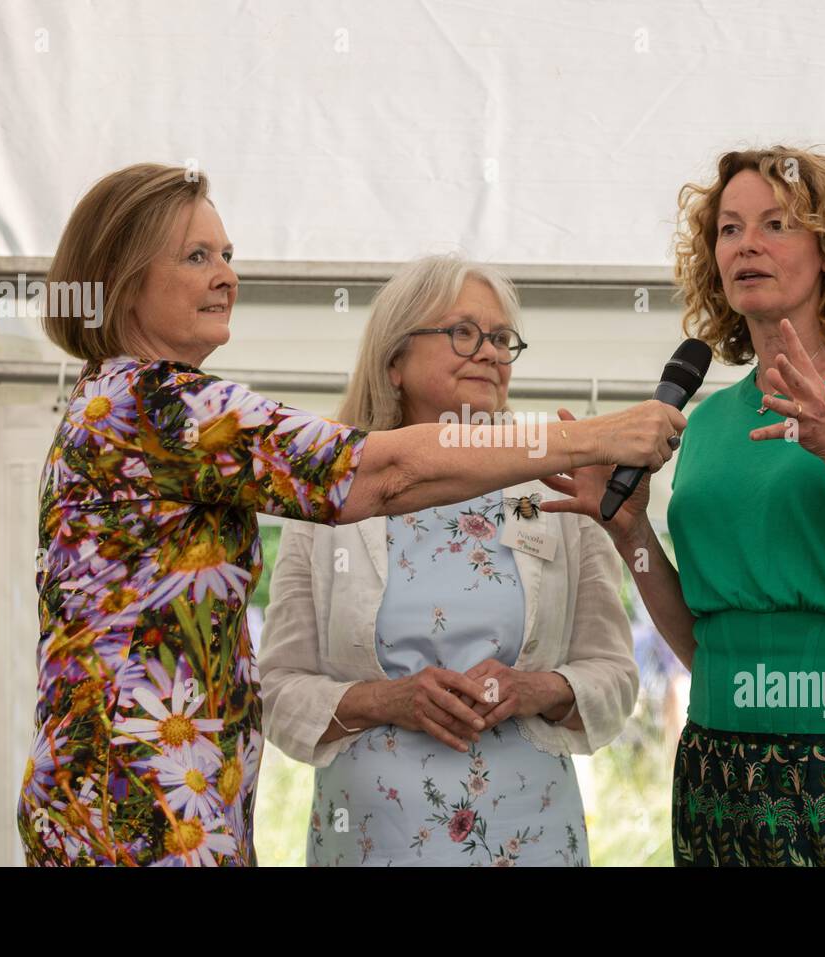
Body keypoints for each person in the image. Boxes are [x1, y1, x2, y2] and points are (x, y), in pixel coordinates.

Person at [15, 164, 685, 866]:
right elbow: (386, 473)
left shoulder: (129, 404)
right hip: (137, 803)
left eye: (228, 255)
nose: (226, 276)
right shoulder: (158, 407)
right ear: (122, 279)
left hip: (153, 797)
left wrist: (538, 686)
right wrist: (592, 435)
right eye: (196, 256)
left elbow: (609, 670)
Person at [543, 146, 825, 866]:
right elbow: (703, 643)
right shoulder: (708, 422)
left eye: (776, 224)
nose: (746, 244)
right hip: (723, 771)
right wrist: (629, 530)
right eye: (729, 229)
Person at [258, 254, 639, 866]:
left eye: (500, 339)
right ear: (395, 360)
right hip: (369, 840)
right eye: (464, 333)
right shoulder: (331, 499)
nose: (489, 352)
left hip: (531, 840)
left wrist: (536, 688)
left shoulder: (559, 489)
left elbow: (616, 678)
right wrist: (387, 700)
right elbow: (276, 691)